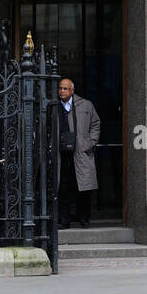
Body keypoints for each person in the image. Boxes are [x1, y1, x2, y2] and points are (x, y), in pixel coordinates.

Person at [53, 77, 100, 228]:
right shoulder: (53, 106)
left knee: (83, 188)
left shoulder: (85, 105)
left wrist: (90, 142)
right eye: (60, 88)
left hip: (80, 152)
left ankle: (83, 218)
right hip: (62, 154)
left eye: (65, 88)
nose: (62, 91)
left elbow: (95, 124)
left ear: (72, 91)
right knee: (63, 188)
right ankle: (64, 220)